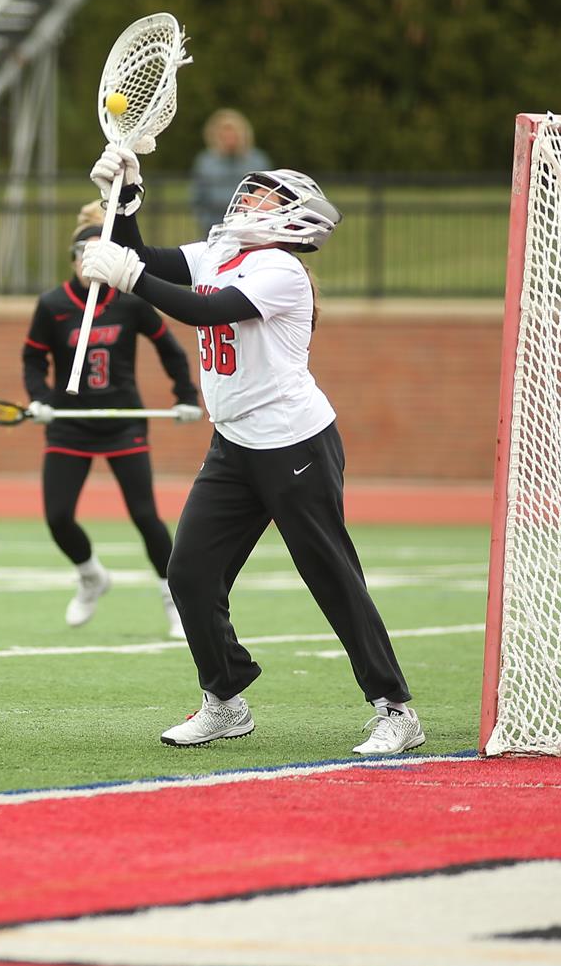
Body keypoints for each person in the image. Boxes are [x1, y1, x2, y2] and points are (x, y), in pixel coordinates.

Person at [77, 144, 425, 757]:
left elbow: (202, 307)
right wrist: (124, 197)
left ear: (298, 219)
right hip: (234, 442)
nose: (249, 199)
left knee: (331, 576)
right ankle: (226, 700)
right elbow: (140, 255)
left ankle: (394, 708)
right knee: (189, 573)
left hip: (295, 442)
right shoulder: (219, 251)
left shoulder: (281, 271)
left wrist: (130, 279)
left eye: (268, 196)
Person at [22, 202, 203, 635]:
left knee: (145, 515)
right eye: (83, 256)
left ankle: (172, 597)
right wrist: (40, 398)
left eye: (99, 255)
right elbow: (33, 358)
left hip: (123, 420)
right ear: (73, 260)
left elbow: (169, 349)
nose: (90, 264)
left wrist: (184, 396)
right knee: (58, 516)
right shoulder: (52, 305)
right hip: (69, 423)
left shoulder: (130, 302)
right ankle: (90, 576)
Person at [189, 108, 271, 238]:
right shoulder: (206, 162)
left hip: (249, 227)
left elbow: (267, 196)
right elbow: (198, 197)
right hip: (215, 226)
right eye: (225, 135)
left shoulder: (257, 161)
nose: (230, 139)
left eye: (233, 134)